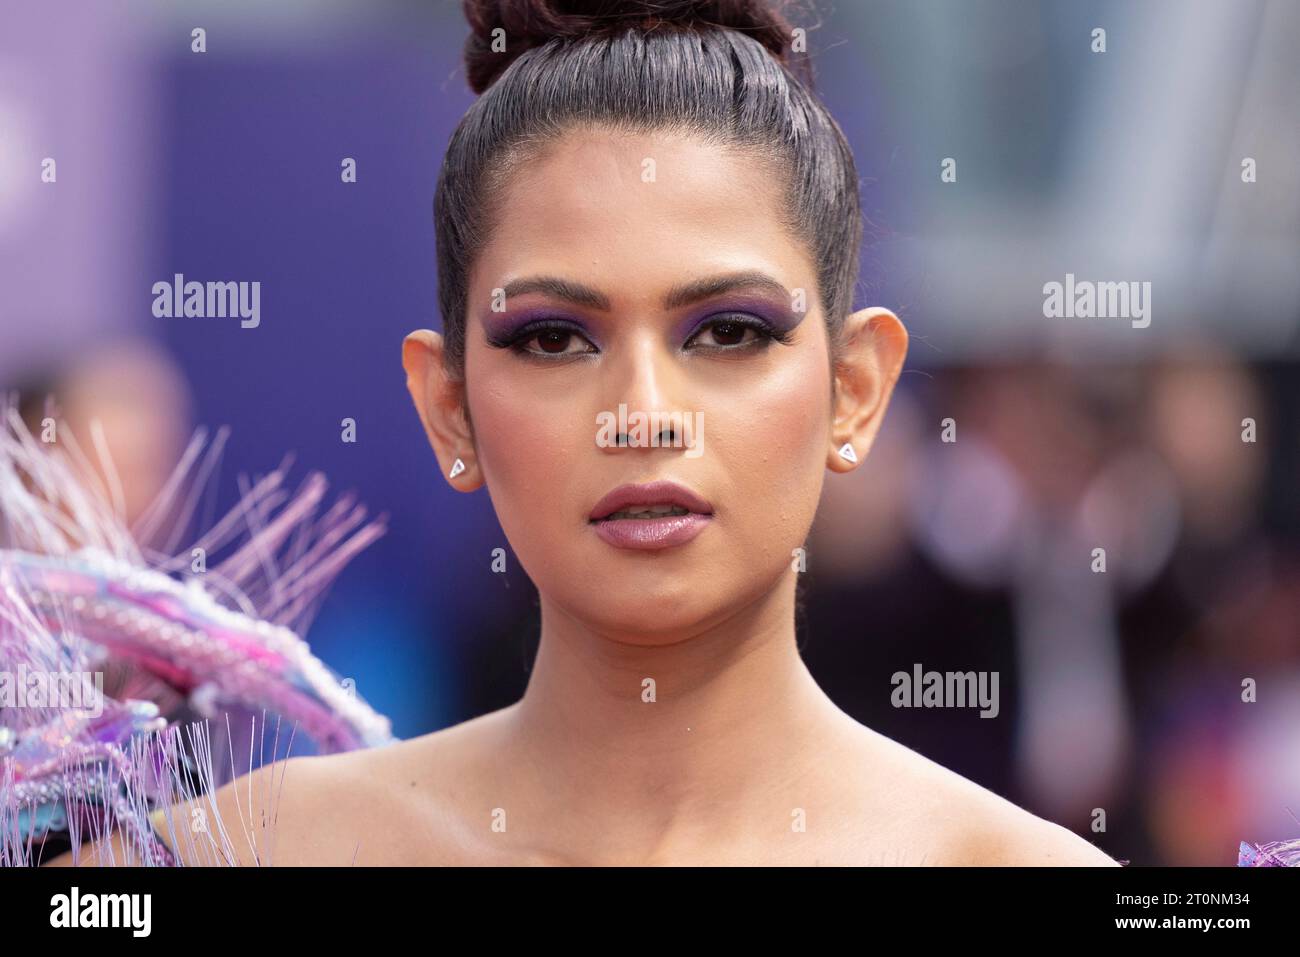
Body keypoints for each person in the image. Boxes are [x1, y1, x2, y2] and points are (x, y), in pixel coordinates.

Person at [49, 0, 1118, 867]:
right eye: (555, 338)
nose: (642, 412)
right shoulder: (220, 864)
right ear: (449, 408)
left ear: (854, 391)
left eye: (730, 330)